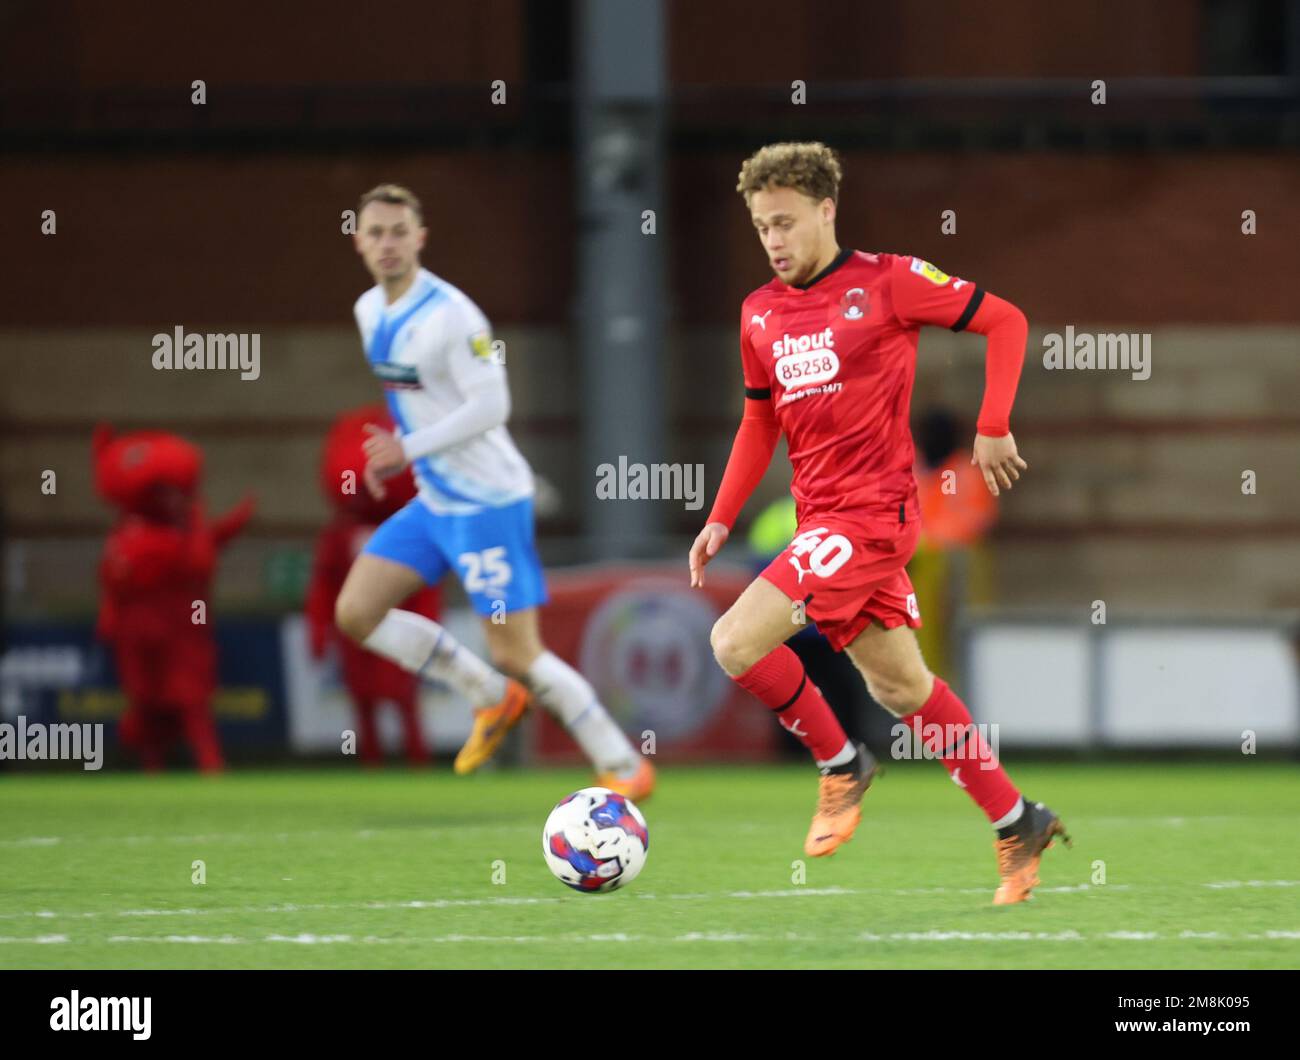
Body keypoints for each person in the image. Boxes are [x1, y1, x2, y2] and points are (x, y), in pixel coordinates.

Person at [688, 142, 1068, 904]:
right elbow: (759, 424)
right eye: (763, 227)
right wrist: (722, 515)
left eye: (788, 223)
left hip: (875, 520)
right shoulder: (759, 312)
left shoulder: (889, 281)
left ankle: (839, 764)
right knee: (903, 688)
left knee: (733, 640)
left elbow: (1007, 320)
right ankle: (1017, 819)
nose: (775, 241)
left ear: (828, 210)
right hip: (821, 524)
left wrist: (993, 423)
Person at [333, 183, 653, 799]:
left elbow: (492, 405)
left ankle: (622, 764)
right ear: (359, 241)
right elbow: (415, 400)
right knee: (356, 613)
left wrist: (409, 450)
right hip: (435, 501)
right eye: (376, 233)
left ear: (420, 238)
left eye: (400, 231)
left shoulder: (454, 315)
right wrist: (395, 454)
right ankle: (486, 696)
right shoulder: (368, 311)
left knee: (516, 651)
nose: (388, 244)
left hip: (487, 503)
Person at [93, 427, 253, 772]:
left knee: (191, 697)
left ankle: (210, 763)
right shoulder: (134, 533)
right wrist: (109, 617)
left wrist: (219, 525)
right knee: (145, 700)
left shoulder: (182, 529)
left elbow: (200, 559)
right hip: (139, 631)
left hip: (181, 628)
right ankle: (153, 765)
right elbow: (115, 581)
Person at [305, 405, 441, 766]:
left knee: (403, 696)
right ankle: (372, 760)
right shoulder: (339, 534)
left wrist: (428, 621)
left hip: (401, 625)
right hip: (355, 630)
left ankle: (418, 760)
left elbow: (425, 584)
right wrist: (318, 629)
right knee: (362, 699)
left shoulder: (409, 528)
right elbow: (323, 583)